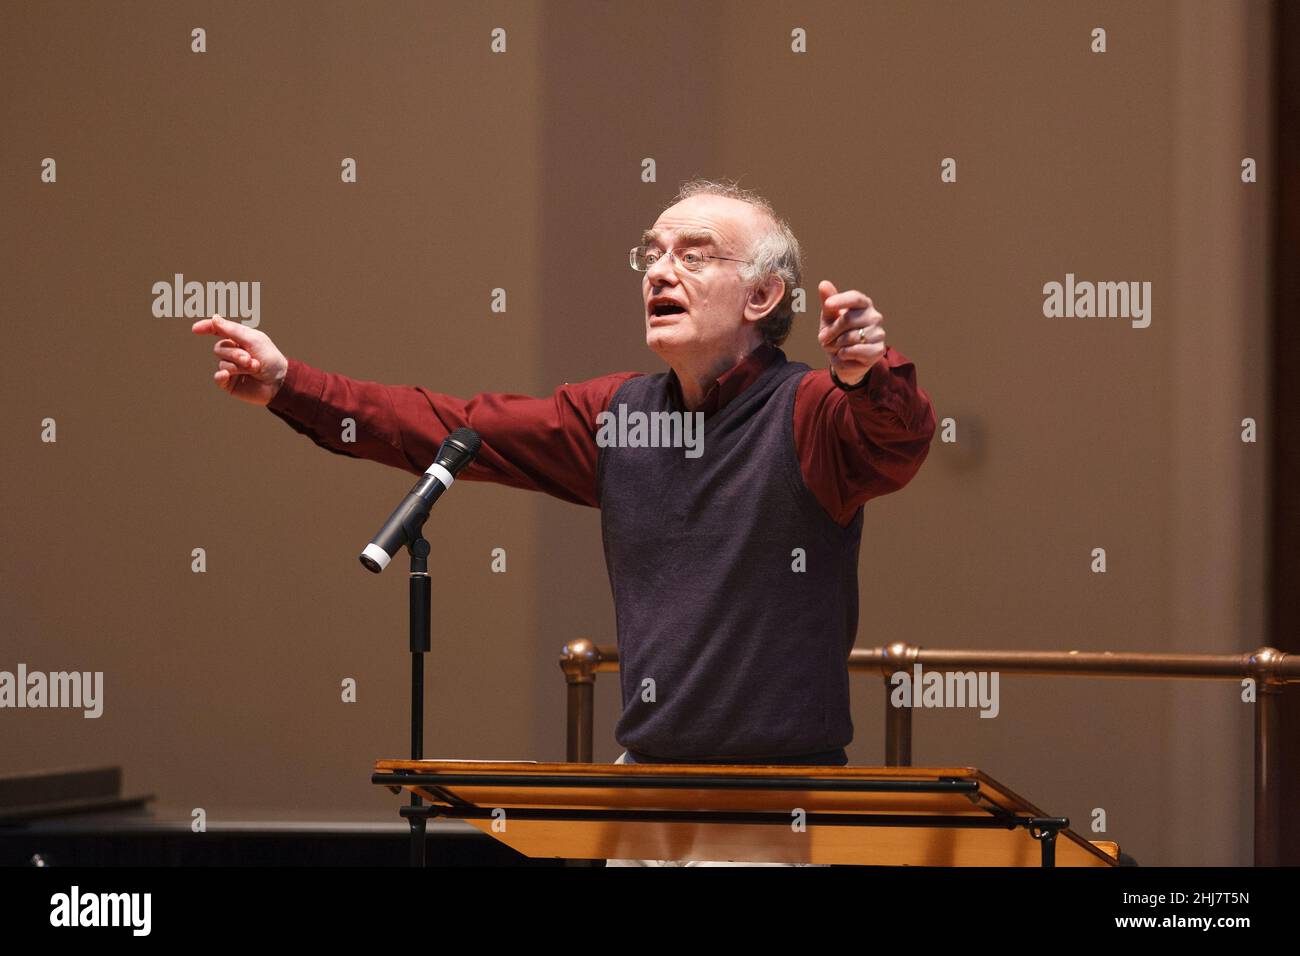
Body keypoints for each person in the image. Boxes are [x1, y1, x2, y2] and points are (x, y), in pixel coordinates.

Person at [192, 178, 936, 865]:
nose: (657, 271)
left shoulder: (810, 411)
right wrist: (293, 385)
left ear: (763, 295)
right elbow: (451, 426)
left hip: (777, 809)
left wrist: (871, 374)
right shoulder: (619, 417)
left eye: (694, 255)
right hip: (641, 795)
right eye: (651, 253)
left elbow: (895, 442)